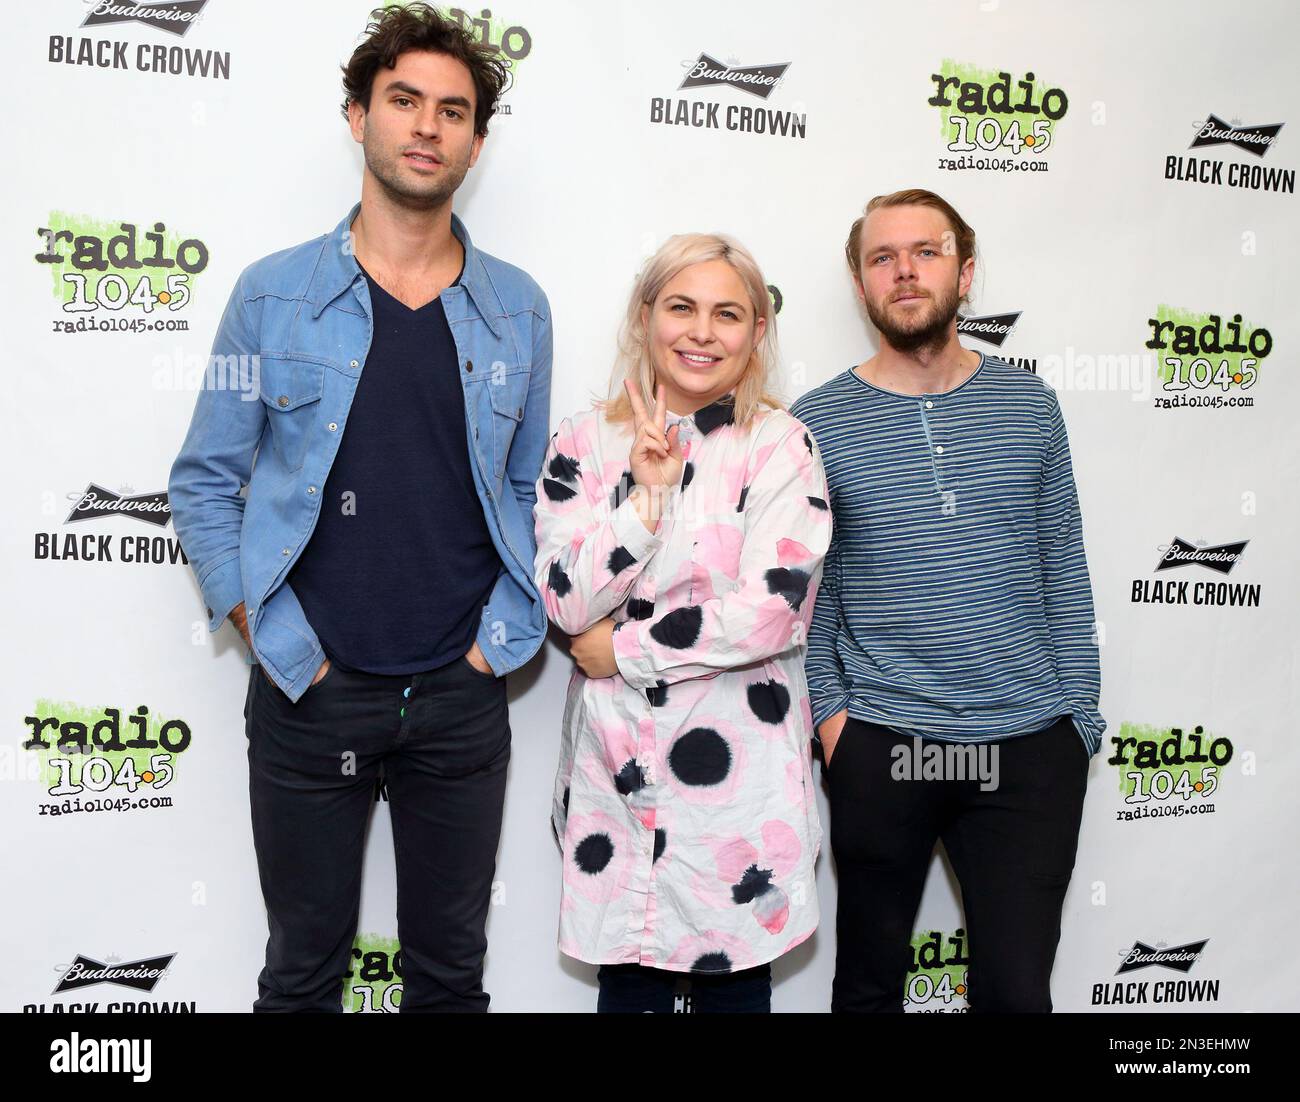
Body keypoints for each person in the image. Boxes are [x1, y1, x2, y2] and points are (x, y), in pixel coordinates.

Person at [167, 3, 552, 1012]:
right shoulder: (270, 295)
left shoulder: (519, 307)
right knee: (300, 976)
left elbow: (524, 488)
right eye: (404, 101)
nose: (428, 126)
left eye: (454, 110)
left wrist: (496, 645)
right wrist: (268, 628)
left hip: (463, 695)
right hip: (308, 687)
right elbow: (206, 476)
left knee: (447, 980)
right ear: (358, 116)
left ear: (475, 139)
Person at [791, 188, 1103, 1014]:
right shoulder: (815, 422)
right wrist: (834, 723)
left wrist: (1079, 719)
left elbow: (1063, 571)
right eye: (881, 258)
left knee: (1014, 993)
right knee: (866, 990)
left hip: (1029, 747)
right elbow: (811, 594)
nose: (904, 272)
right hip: (883, 743)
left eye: (924, 252)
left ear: (965, 273)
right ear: (861, 284)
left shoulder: (1030, 405)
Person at [533, 233, 832, 1013]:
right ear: (646, 315)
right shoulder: (583, 443)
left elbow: (772, 611)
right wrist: (646, 502)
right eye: (682, 308)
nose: (702, 332)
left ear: (756, 331)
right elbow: (564, 599)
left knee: (738, 994)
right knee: (626, 991)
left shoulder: (781, 446)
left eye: (727, 313)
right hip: (616, 779)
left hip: (739, 795)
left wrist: (623, 647)